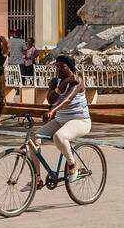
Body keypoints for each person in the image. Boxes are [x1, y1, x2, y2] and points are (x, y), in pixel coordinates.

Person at [27, 54, 91, 187]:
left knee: (59, 137)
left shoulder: (77, 81)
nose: (59, 69)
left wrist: (52, 111)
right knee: (34, 138)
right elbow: (51, 99)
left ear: (71, 68)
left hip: (80, 121)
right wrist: (63, 84)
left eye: (63, 67)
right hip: (61, 121)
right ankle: (37, 179)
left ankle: (73, 165)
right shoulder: (55, 82)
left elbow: (67, 100)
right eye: (57, 66)